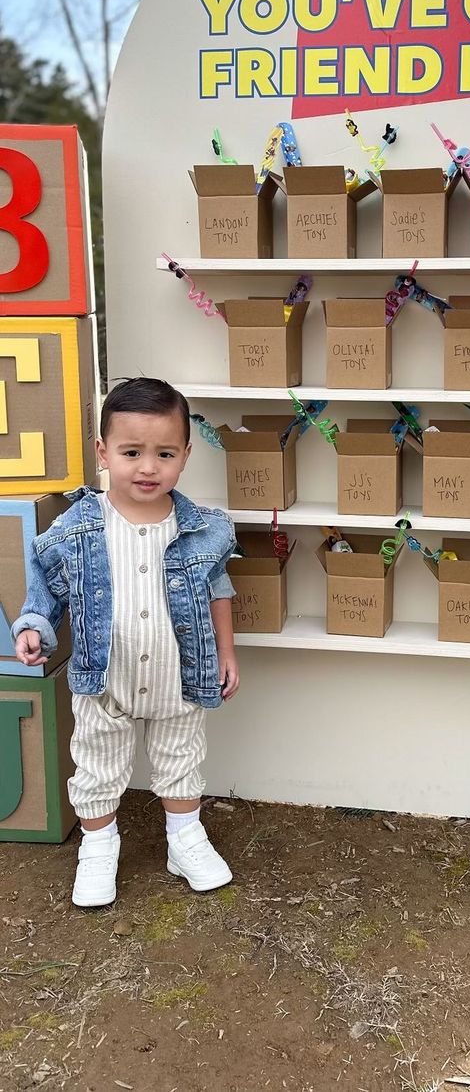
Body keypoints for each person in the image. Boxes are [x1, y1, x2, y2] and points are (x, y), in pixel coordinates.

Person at [12, 377, 239, 910]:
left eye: (164, 453)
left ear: (185, 455)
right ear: (103, 452)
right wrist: (33, 627)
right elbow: (46, 586)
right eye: (131, 452)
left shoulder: (204, 529)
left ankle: (184, 840)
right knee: (96, 761)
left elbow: (219, 591)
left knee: (180, 756)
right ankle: (98, 846)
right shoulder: (77, 529)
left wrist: (226, 653)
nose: (147, 467)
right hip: (103, 677)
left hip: (179, 673)